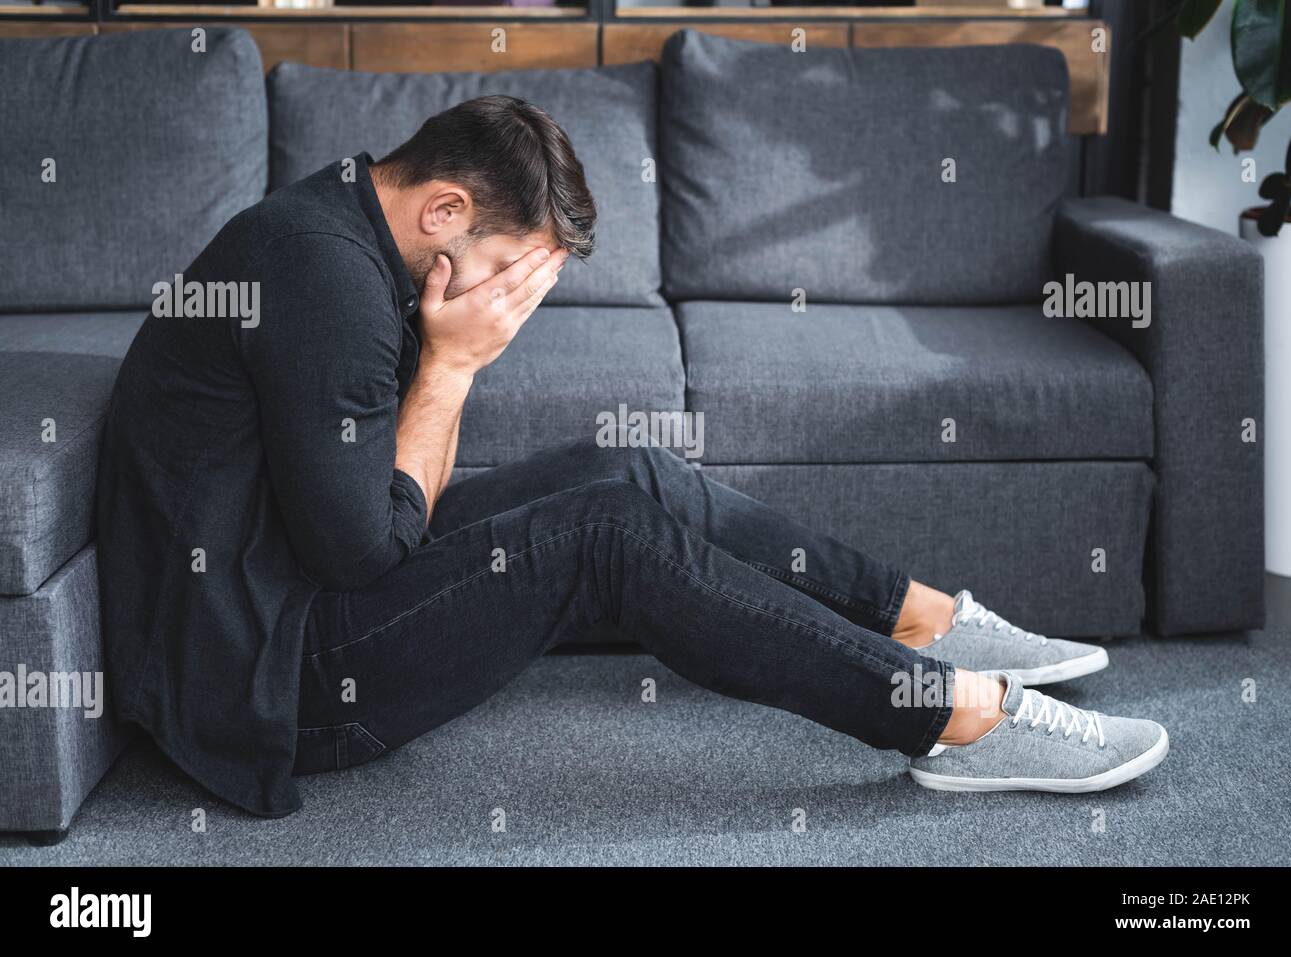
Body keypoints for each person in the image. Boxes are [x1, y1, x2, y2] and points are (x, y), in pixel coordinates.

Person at [96, 95, 1168, 818]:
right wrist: (456, 367)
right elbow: (369, 553)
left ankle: (923, 620)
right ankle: (955, 719)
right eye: (512, 268)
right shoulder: (324, 277)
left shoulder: (345, 219)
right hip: (269, 679)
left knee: (634, 473)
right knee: (608, 536)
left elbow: (377, 503)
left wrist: (449, 354)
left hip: (279, 589)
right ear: (445, 209)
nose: (511, 298)